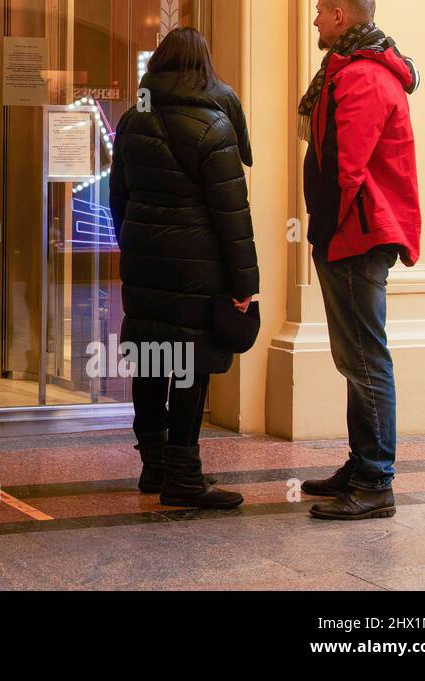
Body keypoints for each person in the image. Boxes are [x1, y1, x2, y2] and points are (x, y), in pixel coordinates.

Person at [111, 27, 259, 509]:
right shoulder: (214, 128)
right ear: (203, 69)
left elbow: (119, 199)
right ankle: (184, 476)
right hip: (198, 268)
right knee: (191, 364)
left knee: (153, 358)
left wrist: (135, 245)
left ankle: (152, 467)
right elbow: (233, 217)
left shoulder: (134, 120)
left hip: (145, 262)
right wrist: (245, 285)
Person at [299, 0, 420, 520]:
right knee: (356, 359)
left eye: (322, 13)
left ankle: (376, 480)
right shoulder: (350, 70)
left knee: (365, 360)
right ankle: (361, 463)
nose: (317, 21)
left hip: (358, 234)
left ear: (343, 16)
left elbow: (345, 166)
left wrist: (326, 228)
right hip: (354, 230)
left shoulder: (364, 77)